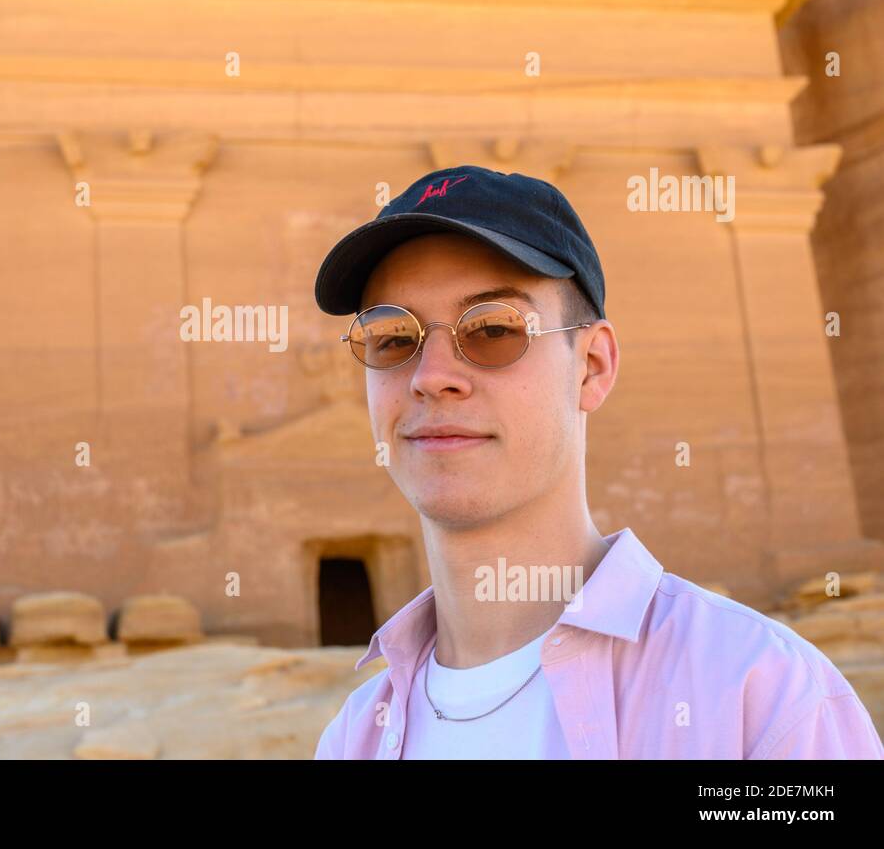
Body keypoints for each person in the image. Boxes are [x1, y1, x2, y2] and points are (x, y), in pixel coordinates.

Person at [311, 165, 883, 759]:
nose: (431, 378)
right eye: (393, 339)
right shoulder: (354, 740)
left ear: (593, 367)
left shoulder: (760, 698)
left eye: (492, 330)